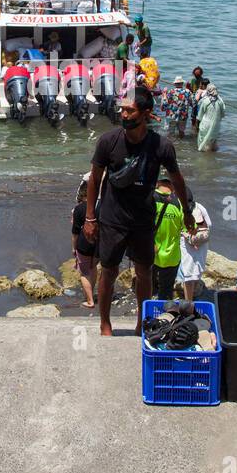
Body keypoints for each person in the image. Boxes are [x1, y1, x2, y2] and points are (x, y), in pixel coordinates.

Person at [83, 86, 197, 336]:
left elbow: (177, 179)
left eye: (130, 110)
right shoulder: (108, 141)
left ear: (146, 113)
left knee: (144, 272)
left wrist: (187, 212)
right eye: (122, 109)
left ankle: (140, 324)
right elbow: (94, 179)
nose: (124, 114)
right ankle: (105, 323)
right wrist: (90, 217)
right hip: (112, 218)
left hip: (144, 220)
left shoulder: (161, 146)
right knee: (109, 271)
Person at [150, 177, 185, 300]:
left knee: (147, 286)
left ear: (158, 183)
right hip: (171, 255)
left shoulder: (149, 198)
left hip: (150, 252)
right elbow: (188, 228)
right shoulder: (179, 203)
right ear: (173, 185)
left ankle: (145, 312)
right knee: (166, 290)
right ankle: (165, 315)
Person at [176, 196, 211, 302]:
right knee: (195, 270)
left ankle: (188, 302)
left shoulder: (179, 207)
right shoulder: (200, 207)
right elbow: (209, 224)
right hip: (201, 244)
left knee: (188, 275)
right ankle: (193, 296)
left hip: (187, 243)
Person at [70, 175, 98, 308]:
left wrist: (74, 248)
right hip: (99, 244)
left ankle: (90, 300)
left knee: (84, 272)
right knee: (93, 268)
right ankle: (91, 293)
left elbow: (75, 232)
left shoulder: (79, 209)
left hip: (84, 244)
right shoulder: (99, 207)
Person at [196, 82, 224, 152]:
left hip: (206, 123)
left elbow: (200, 115)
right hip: (216, 124)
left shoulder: (205, 101)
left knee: (203, 138)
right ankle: (212, 153)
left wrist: (197, 123)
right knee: (213, 139)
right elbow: (222, 114)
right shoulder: (220, 102)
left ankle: (204, 153)